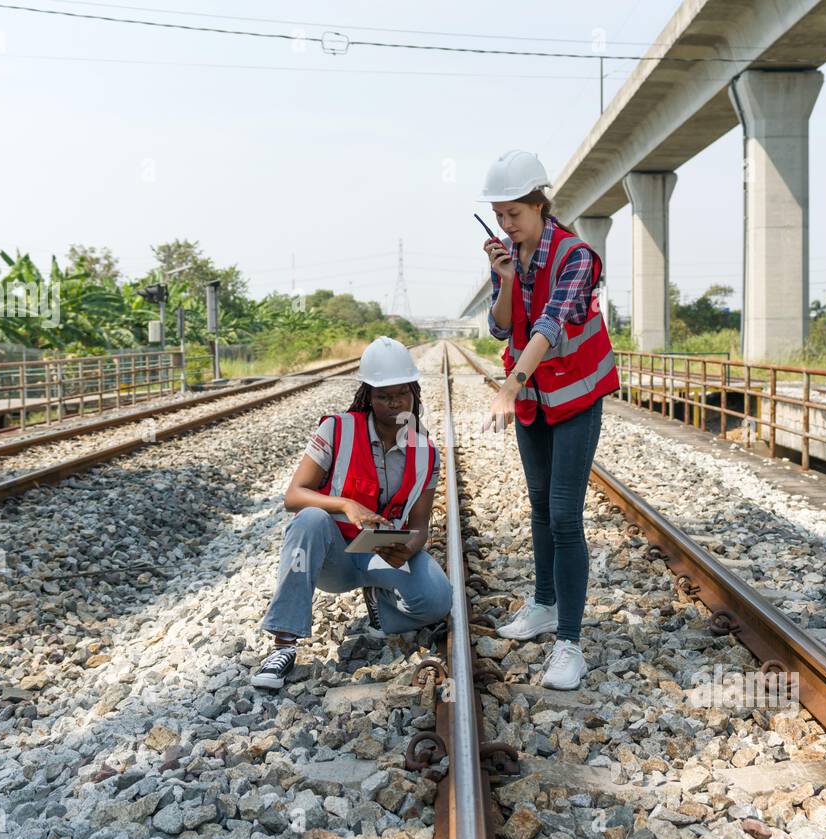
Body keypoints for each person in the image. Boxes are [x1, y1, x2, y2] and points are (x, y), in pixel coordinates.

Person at [477, 149, 620, 691]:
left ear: (540, 204)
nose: (505, 224)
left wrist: (509, 385)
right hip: (536, 398)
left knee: (564, 515)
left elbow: (553, 326)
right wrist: (505, 277)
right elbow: (500, 327)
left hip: (577, 395)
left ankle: (569, 644)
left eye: (514, 213)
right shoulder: (512, 254)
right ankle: (542, 604)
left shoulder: (577, 256)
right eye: (499, 215)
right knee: (539, 508)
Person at [252, 336, 454, 690]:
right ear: (368, 396)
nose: (394, 403)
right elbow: (294, 495)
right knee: (309, 518)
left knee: (438, 599)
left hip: (383, 557)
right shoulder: (336, 429)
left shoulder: (426, 450)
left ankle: (381, 604)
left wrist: (410, 547)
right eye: (383, 396)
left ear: (414, 392)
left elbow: (421, 526)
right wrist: (345, 504)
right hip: (336, 558)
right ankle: (283, 644)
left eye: (401, 394)